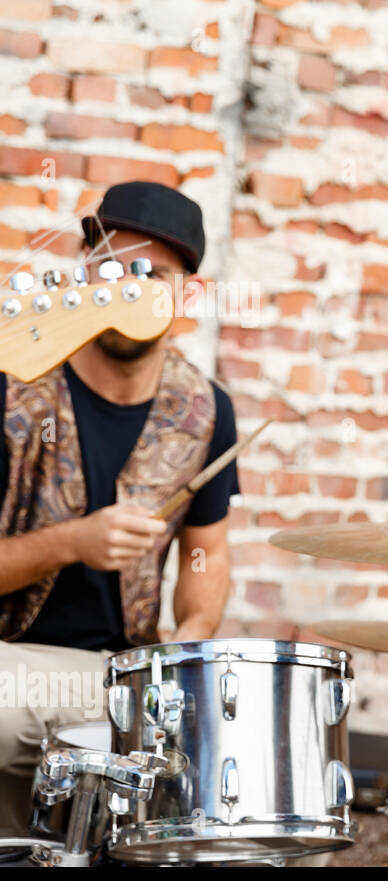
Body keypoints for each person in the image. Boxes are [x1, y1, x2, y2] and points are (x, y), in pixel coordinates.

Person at [0, 180, 241, 839]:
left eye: (150, 273)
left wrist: (191, 633)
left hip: (120, 673)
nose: (126, 286)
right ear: (85, 267)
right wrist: (71, 542)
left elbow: (205, 548)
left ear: (187, 294)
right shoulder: (14, 378)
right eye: (113, 266)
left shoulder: (205, 409)